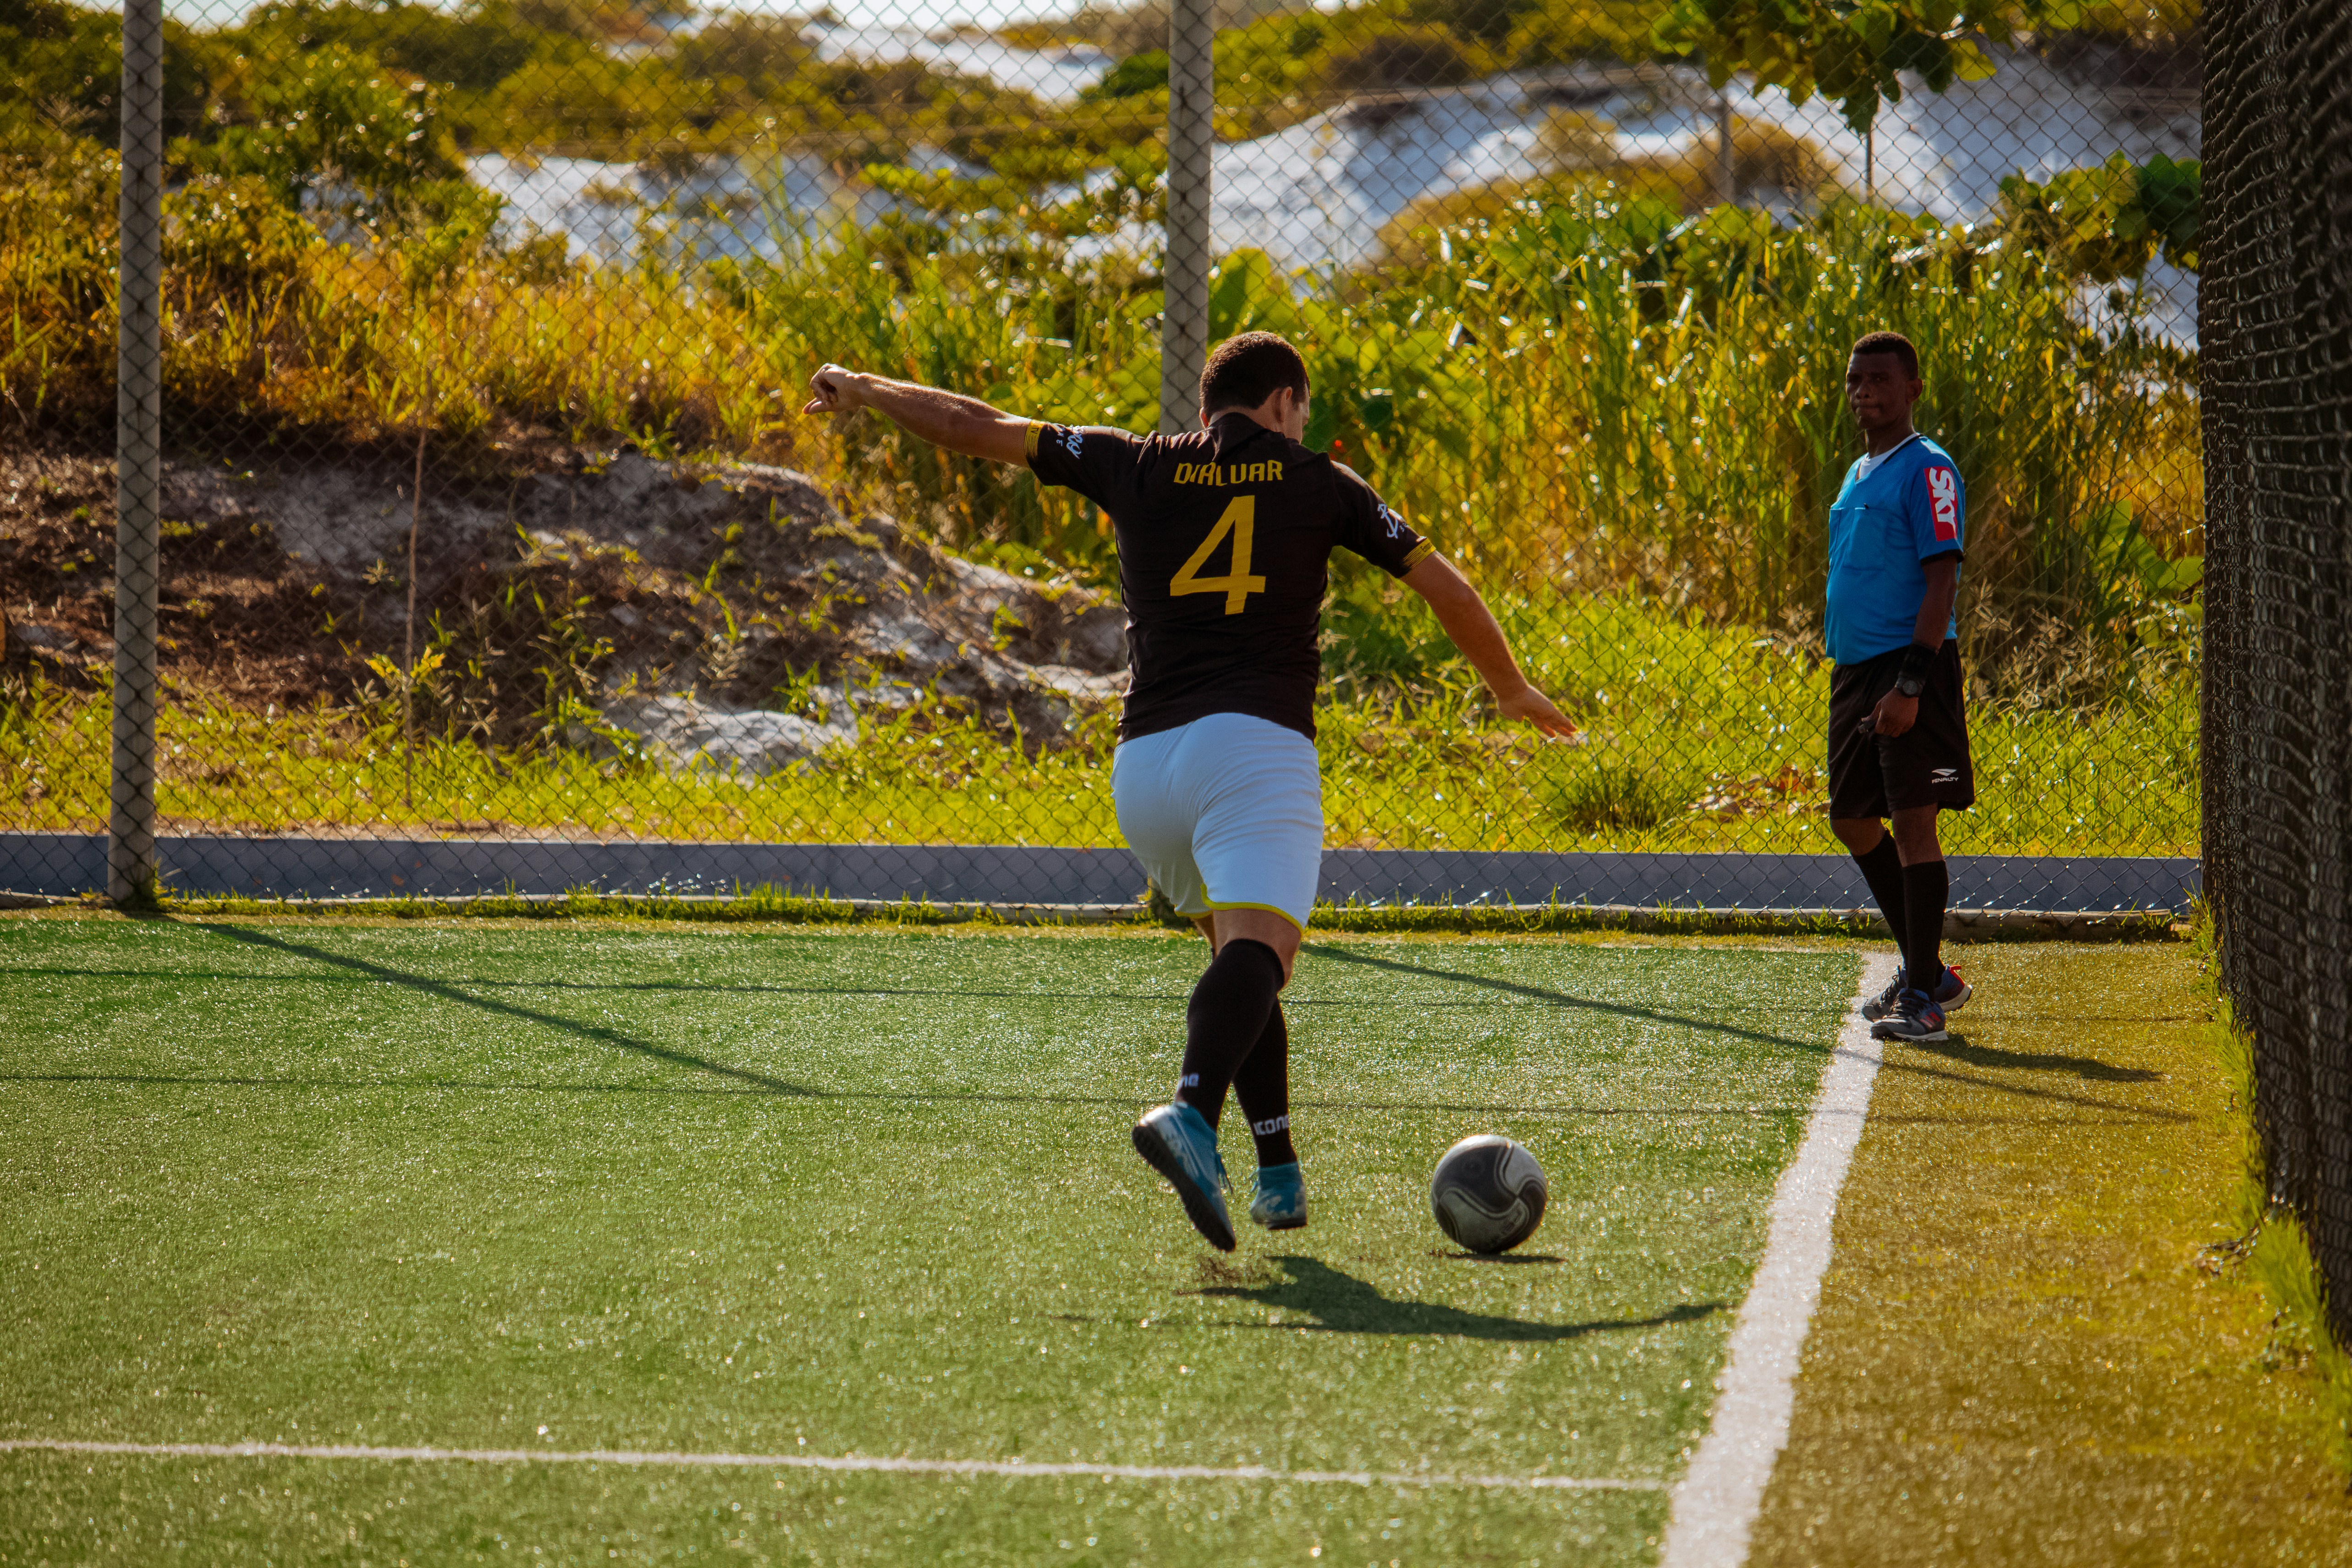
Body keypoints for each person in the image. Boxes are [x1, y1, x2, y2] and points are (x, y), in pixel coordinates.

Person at [802, 330, 1576, 1251]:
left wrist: (861, 386)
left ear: (1207, 409)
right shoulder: (1321, 483)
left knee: (1238, 960)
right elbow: (1440, 583)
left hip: (1146, 768)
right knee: (1263, 958)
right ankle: (1189, 1114)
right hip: (1253, 750)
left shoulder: (1134, 462)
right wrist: (1509, 689)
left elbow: (981, 426)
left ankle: (1279, 1172)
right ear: (1285, 401)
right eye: (1303, 406)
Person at [1825, 330, 1977, 1043]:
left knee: (1915, 826)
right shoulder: (1859, 470)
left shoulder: (1929, 468)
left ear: (1913, 389)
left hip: (1908, 668)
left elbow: (1943, 577)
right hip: (1855, 674)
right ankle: (1930, 968)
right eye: (1856, 380)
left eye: (1881, 380)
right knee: (1853, 819)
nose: (1866, 392)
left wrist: (1912, 682)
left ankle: (1923, 997)